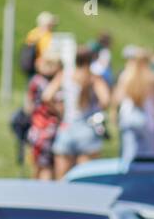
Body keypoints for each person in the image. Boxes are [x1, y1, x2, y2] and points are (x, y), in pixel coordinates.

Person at [44, 46, 111, 178]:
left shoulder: (65, 75)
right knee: (86, 180)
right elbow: (106, 100)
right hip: (87, 128)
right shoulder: (94, 78)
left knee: (62, 180)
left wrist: (59, 110)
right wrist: (96, 109)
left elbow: (47, 96)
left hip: (67, 127)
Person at [114, 46, 154, 163]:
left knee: (128, 153)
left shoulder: (126, 76)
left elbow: (117, 98)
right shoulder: (152, 77)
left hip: (128, 116)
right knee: (149, 154)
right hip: (147, 118)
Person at [25, 55, 63, 181]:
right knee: (47, 168)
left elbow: (28, 107)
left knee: (38, 167)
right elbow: (47, 98)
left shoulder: (34, 80)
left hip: (36, 128)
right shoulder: (54, 83)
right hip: (48, 128)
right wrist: (59, 112)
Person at [20, 11, 57, 79]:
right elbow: (46, 52)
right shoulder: (46, 35)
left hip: (33, 65)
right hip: (42, 67)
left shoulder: (33, 33)